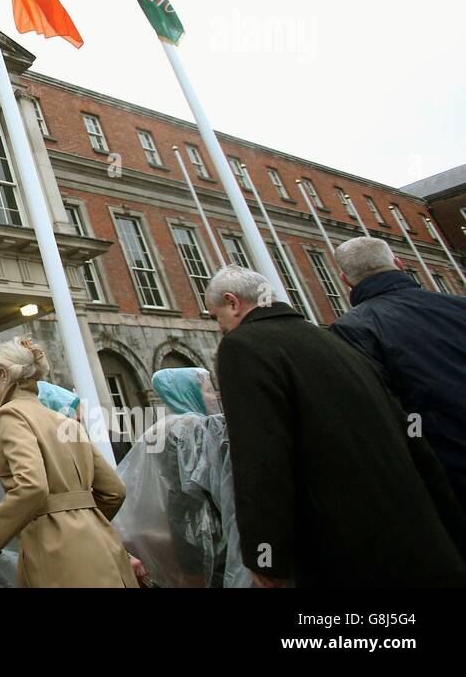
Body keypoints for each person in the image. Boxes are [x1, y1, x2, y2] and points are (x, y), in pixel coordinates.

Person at [206, 265, 466, 587]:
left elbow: (260, 456)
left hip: (349, 549)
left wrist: (265, 554)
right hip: (423, 540)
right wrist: (448, 518)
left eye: (216, 318)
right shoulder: (332, 338)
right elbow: (410, 431)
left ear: (233, 303)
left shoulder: (243, 346)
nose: (220, 329)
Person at [0, 338, 137, 588]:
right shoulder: (64, 420)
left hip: (58, 556)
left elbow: (32, 486)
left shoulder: (11, 415)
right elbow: (114, 491)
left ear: (3, 374)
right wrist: (81, 517)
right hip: (105, 548)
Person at [331, 236, 466, 510]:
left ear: (345, 280)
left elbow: (373, 410)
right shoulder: (458, 306)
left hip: (445, 470)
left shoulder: (351, 329)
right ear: (399, 264)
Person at [112, 368, 249, 588]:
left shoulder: (160, 429)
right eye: (206, 390)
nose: (212, 396)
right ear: (185, 392)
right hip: (212, 521)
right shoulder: (199, 427)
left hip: (182, 525)